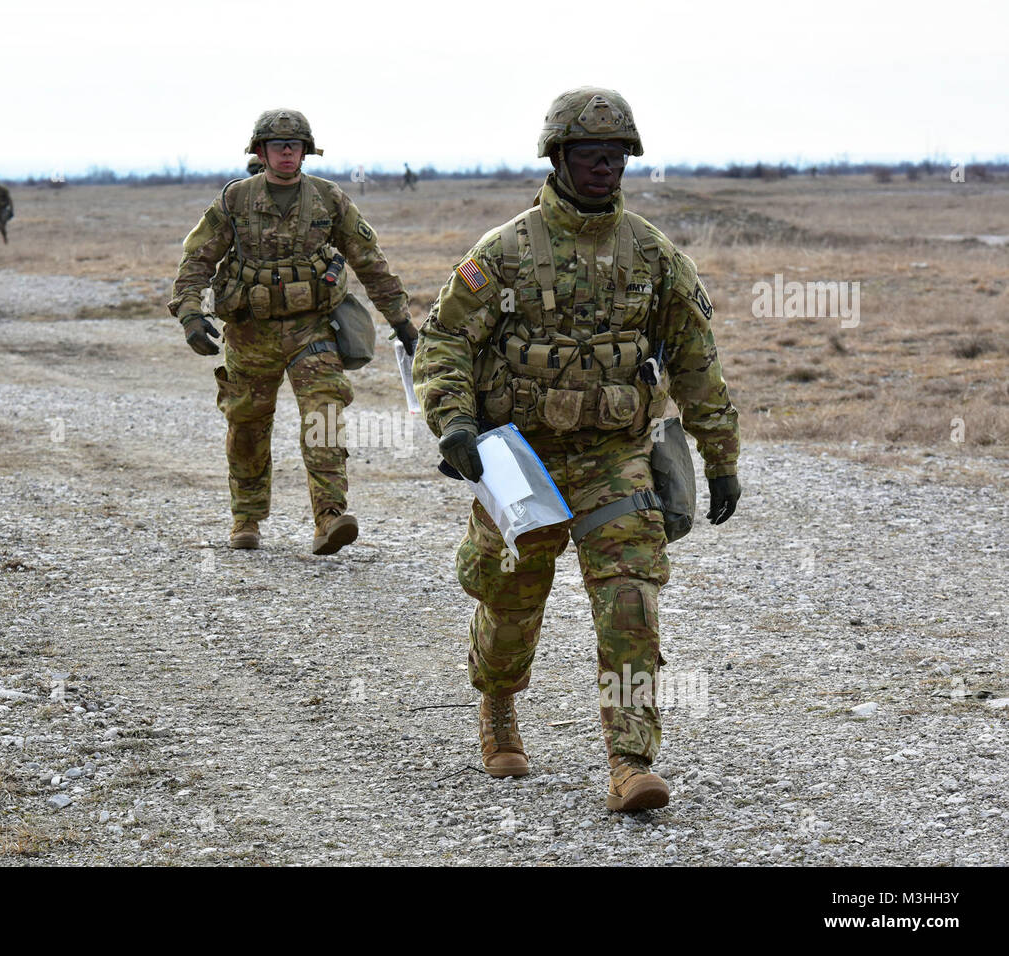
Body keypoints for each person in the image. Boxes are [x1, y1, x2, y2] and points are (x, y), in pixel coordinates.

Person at [412, 88, 741, 811]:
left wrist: (721, 456)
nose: (605, 166)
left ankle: (630, 760)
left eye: (617, 154)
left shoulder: (654, 255)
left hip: (614, 458)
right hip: (518, 457)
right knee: (511, 601)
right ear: (558, 157)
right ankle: (497, 703)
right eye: (591, 154)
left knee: (630, 598)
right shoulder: (502, 252)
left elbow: (696, 361)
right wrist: (454, 423)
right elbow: (442, 344)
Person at [169, 109, 417, 554]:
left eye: (295, 145)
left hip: (313, 330)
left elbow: (369, 261)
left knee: (324, 415)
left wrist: (401, 322)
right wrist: (190, 313)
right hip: (250, 333)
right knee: (247, 424)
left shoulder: (329, 199)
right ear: (260, 152)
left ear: (305, 151)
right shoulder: (235, 201)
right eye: (278, 145)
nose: (287, 152)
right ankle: (246, 518)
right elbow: (197, 261)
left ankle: (329, 516)